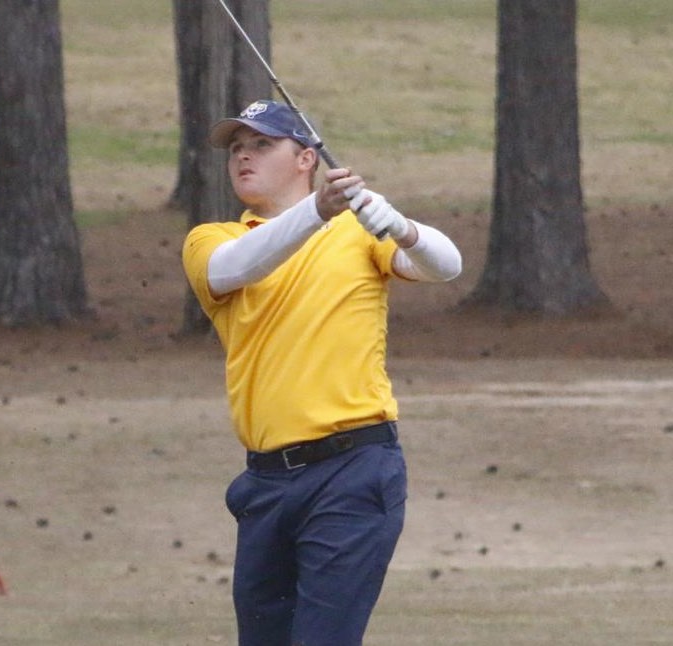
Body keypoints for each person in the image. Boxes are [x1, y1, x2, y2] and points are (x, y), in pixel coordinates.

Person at [181, 99, 463, 646]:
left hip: (352, 469)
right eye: (237, 149)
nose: (243, 156)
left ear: (306, 158)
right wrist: (319, 212)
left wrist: (402, 227)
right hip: (265, 483)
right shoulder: (213, 239)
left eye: (262, 144)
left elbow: (446, 266)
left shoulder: (358, 231)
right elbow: (236, 268)